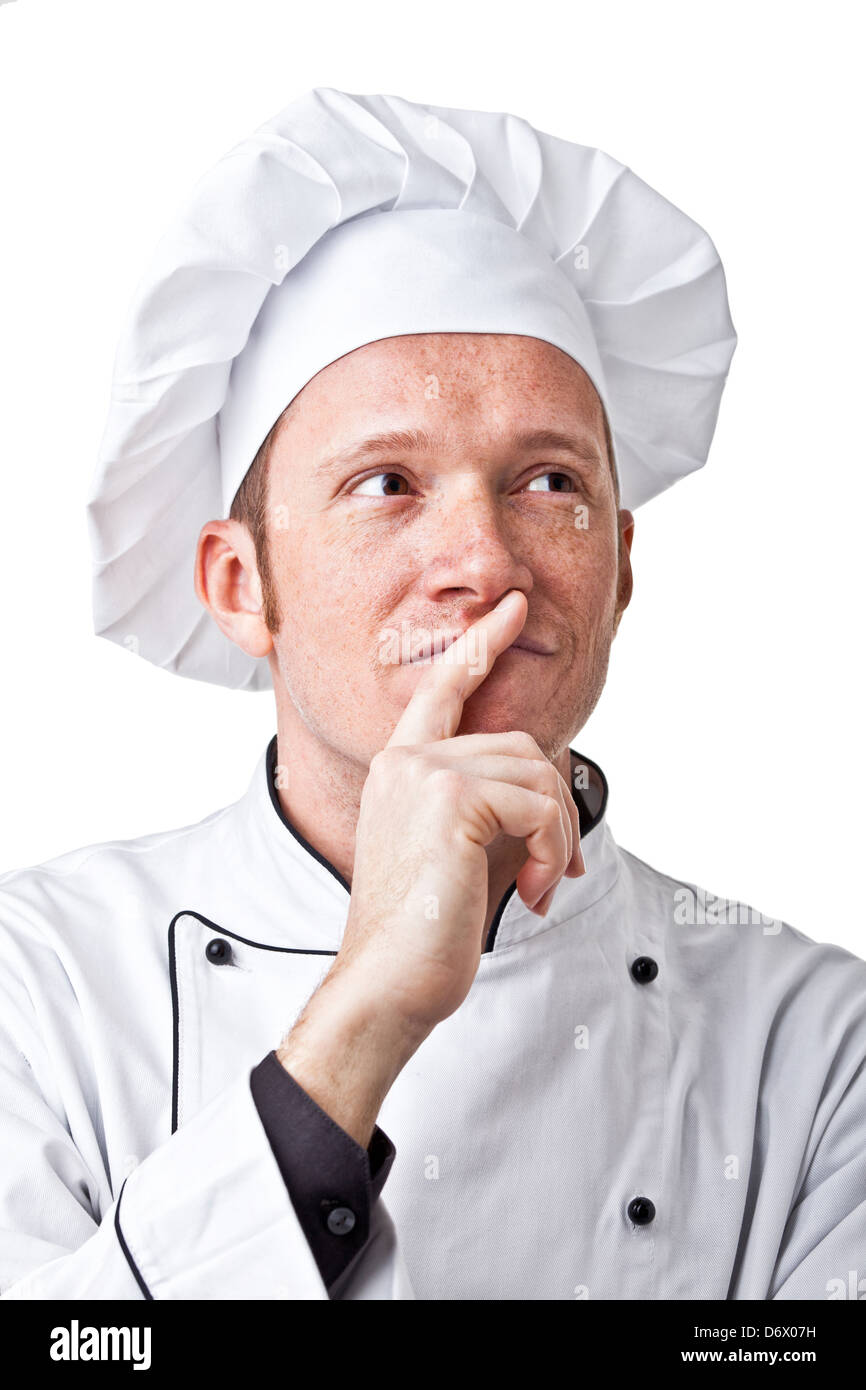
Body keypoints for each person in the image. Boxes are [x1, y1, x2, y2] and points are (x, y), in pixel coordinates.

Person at [1, 88, 863, 1302]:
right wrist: (362, 1012)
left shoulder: (815, 1042)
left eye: (548, 480)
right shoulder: (42, 982)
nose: (486, 562)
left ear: (617, 566)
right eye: (386, 482)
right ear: (242, 583)